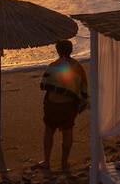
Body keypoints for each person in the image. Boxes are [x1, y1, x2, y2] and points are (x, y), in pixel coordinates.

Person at [38, 39, 88, 171]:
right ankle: (64, 163)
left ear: (58, 51)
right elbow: (82, 87)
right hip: (68, 106)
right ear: (71, 50)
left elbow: (44, 85)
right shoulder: (77, 67)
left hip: (52, 104)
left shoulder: (53, 66)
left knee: (49, 131)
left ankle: (47, 162)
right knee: (67, 131)